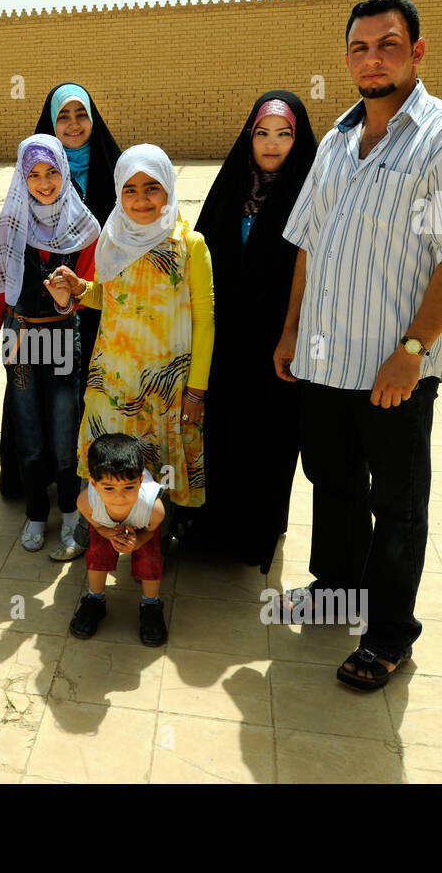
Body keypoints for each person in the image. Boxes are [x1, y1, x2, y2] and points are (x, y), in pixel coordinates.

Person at [273, 0, 442, 690]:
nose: (373, 58)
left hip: (392, 368)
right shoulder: (337, 139)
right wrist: (289, 331)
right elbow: (308, 242)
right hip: (322, 360)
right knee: (333, 483)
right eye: (360, 48)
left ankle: (389, 634)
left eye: (389, 45)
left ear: (418, 51)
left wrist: (413, 349)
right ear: (346, 59)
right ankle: (338, 588)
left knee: (397, 504)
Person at [189, 91, 318, 572]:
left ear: (298, 140)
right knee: (220, 430)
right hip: (225, 341)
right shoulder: (231, 188)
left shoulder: (311, 193)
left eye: (284, 134)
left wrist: (292, 331)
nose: (272, 144)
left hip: (276, 341)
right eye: (262, 133)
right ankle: (211, 530)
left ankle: (255, 534)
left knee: (268, 436)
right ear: (250, 136)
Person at [53, 144, 214, 518]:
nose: (141, 199)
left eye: (152, 187)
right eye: (130, 189)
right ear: (118, 192)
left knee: (161, 479)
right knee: (110, 474)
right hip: (111, 386)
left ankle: (154, 551)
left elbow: (205, 321)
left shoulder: (189, 246)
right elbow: (109, 299)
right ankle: (101, 541)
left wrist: (197, 390)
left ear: (169, 189)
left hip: (166, 391)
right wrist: (79, 289)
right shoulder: (112, 239)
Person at [0, 84, 124, 501]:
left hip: (100, 306)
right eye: (63, 117)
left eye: (80, 115)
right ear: (51, 124)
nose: (73, 125)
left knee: (80, 400)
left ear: (93, 118)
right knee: (35, 403)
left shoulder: (116, 168)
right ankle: (35, 485)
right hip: (39, 317)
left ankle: (87, 483)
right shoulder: (34, 168)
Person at [0, 134, 100, 558]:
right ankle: (34, 514)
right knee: (28, 436)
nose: (44, 183)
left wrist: (71, 303)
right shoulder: (12, 223)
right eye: (34, 174)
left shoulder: (83, 227)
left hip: (63, 338)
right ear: (21, 177)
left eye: (51, 172)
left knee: (65, 433)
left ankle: (68, 512)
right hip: (20, 338)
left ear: (64, 172)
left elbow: (90, 293)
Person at [67, 433, 168, 646]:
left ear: (140, 480)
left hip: (142, 524)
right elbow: (96, 525)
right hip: (106, 523)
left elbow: (150, 531)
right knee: (97, 550)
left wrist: (138, 541)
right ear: (93, 483)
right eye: (109, 488)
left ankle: (151, 603)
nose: (119, 497)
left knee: (150, 555)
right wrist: (108, 533)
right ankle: (95, 598)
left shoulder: (154, 509)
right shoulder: (86, 501)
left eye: (129, 487)